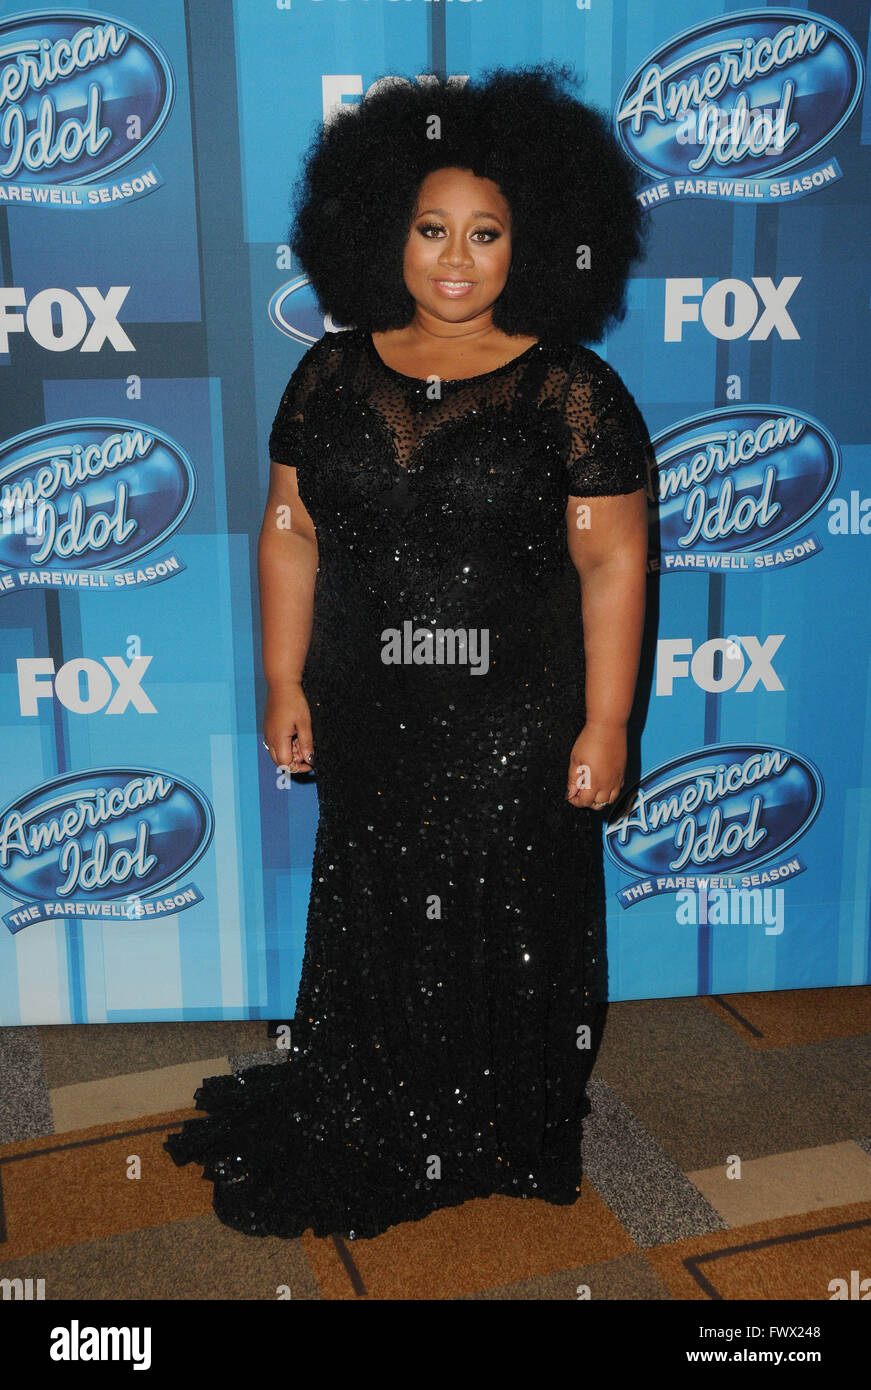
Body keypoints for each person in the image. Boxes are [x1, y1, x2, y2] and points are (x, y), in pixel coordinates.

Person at [164, 63, 654, 1242]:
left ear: (531, 242)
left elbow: (612, 566)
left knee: (508, 918)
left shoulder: (573, 392)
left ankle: (498, 1120)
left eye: (487, 233)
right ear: (382, 228)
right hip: (367, 708)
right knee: (379, 910)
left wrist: (605, 722)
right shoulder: (325, 373)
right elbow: (289, 537)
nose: (453, 257)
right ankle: (379, 1096)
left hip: (514, 723)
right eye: (431, 227)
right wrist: (282, 678)